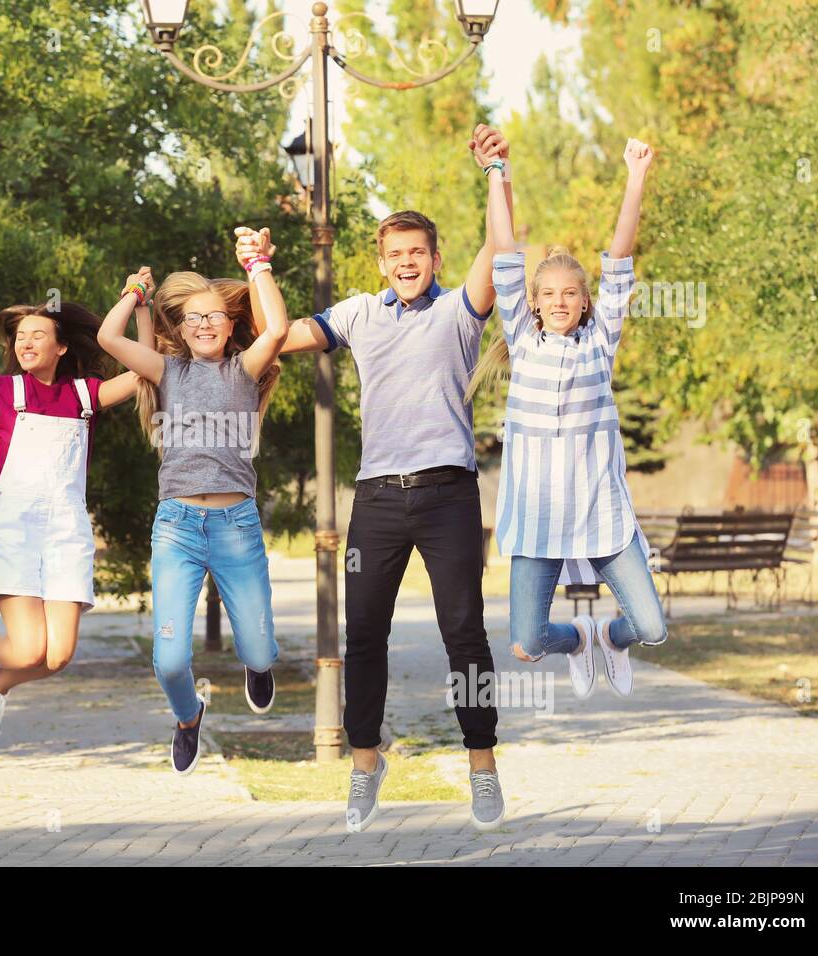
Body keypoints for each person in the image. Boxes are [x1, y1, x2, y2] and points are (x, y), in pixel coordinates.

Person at [262, 124, 512, 831]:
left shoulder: (461, 312)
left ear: (435, 259)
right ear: (381, 263)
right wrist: (257, 270)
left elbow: (501, 248)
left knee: (464, 631)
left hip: (448, 497)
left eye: (417, 253)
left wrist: (498, 171)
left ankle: (482, 765)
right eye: (394, 254)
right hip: (376, 500)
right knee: (363, 632)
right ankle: (366, 761)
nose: (406, 262)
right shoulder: (359, 314)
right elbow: (279, 335)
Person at [465, 136, 666, 699]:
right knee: (527, 642)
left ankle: (611, 637)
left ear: (584, 301)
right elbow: (506, 252)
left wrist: (635, 176)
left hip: (601, 514)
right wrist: (497, 172)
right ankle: (579, 638)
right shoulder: (523, 340)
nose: (559, 301)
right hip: (536, 521)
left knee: (651, 627)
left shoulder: (600, 341)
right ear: (533, 302)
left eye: (571, 293)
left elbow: (621, 258)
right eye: (548, 293)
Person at [96, 227, 287, 775]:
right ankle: (188, 717)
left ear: (231, 326)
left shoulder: (243, 370)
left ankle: (259, 663)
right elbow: (111, 339)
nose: (205, 324)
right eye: (194, 317)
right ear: (180, 328)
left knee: (257, 651)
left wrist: (257, 265)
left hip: (236, 526)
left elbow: (276, 327)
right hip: (177, 526)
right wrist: (135, 293)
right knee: (171, 659)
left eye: (215, 316)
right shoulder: (165, 370)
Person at [0, 302, 144, 737]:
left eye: (37, 335)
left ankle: (0, 683)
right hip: (15, 530)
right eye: (20, 337)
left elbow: (146, 369)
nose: (26, 343)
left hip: (67, 533)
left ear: (61, 347)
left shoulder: (84, 394)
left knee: (57, 657)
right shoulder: (3, 392)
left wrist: (136, 303)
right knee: (30, 647)